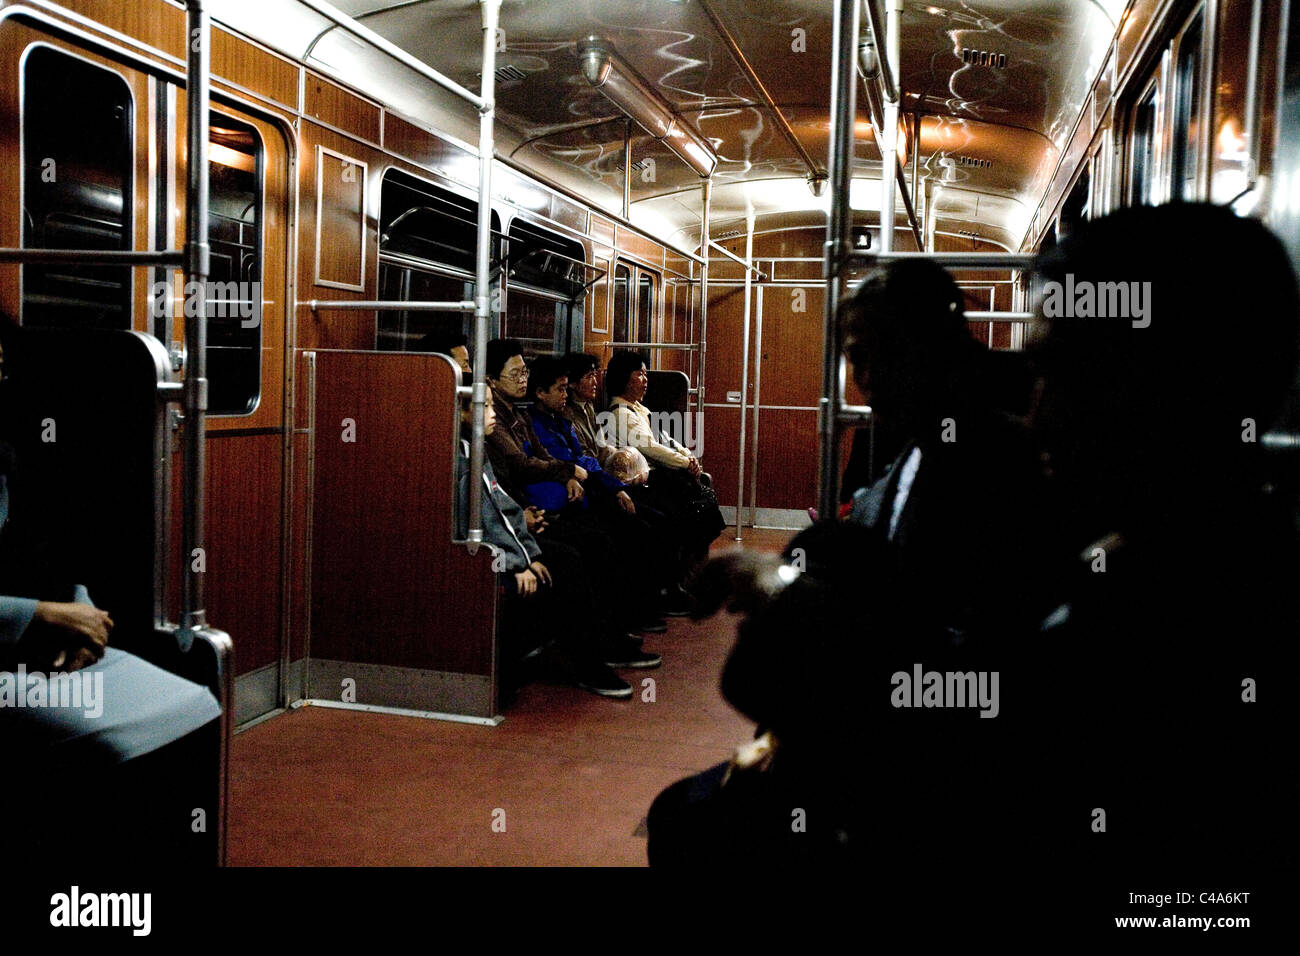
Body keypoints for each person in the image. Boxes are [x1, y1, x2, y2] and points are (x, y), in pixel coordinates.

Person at [1023, 203, 1300, 896]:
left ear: (1173, 384)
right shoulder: (1194, 560)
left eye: (1072, 376)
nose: (1037, 419)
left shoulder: (1160, 622)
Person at [0, 320, 221, 862]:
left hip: (28, 643)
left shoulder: (8, 455)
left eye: (1, 366)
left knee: (193, 701)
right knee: (110, 736)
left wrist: (77, 608)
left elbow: (37, 550)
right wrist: (37, 616)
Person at [838, 259, 1056, 640]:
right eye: (858, 359)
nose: (871, 379)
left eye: (892, 352)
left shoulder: (1004, 456)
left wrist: (787, 590)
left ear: (941, 344)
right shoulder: (918, 437)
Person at [455, 396, 642, 699]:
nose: (492, 414)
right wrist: (521, 560)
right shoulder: (465, 456)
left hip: (510, 534)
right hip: (482, 551)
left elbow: (501, 506)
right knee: (568, 560)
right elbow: (487, 516)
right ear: (461, 413)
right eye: (483, 407)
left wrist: (525, 541)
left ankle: (604, 639)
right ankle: (589, 662)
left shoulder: (478, 447)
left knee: (590, 542)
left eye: (491, 405)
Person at [527, 355, 690, 615]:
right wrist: (607, 483)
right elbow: (572, 462)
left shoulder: (570, 416)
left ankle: (661, 594)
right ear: (540, 392)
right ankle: (636, 609)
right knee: (626, 533)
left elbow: (592, 456)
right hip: (570, 499)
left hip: (598, 484)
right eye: (561, 388)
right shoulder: (542, 423)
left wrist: (615, 482)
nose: (595, 381)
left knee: (660, 516)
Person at [603, 350, 724, 569]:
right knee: (693, 499)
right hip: (644, 481)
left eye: (646, 374)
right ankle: (690, 567)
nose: (645, 380)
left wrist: (688, 456)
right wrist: (684, 463)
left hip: (658, 473)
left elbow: (666, 439)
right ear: (624, 378)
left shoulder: (639, 409)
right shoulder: (621, 413)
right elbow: (652, 449)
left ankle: (695, 561)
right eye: (639, 374)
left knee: (702, 489)